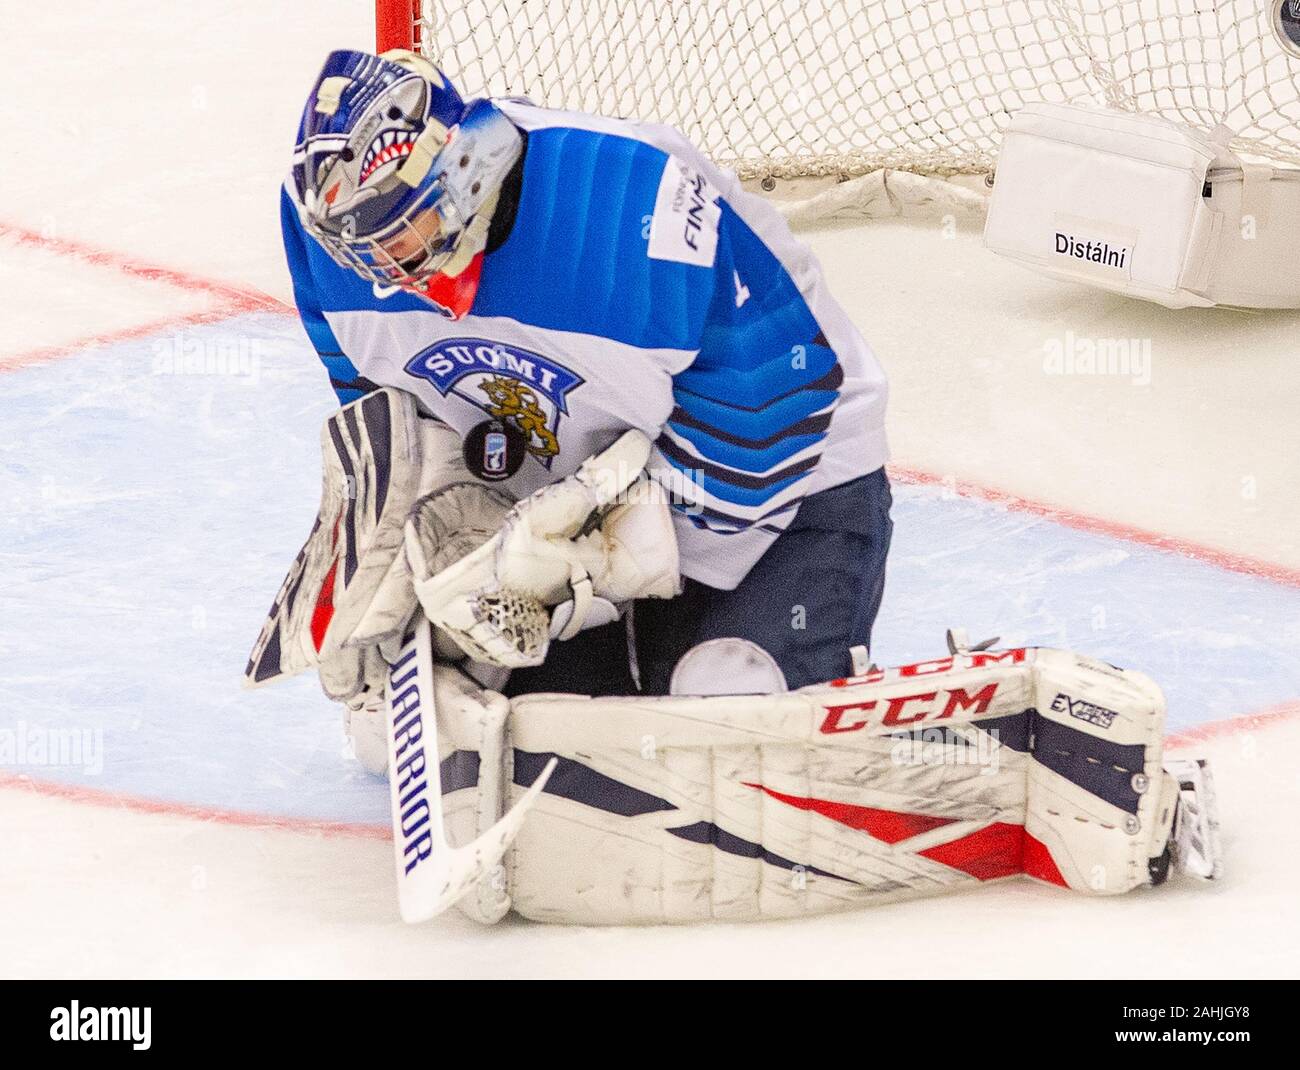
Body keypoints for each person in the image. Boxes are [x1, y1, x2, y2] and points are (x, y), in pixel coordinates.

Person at [273, 47, 892, 698]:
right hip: (554, 524)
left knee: (724, 724)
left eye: (404, 233)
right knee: (533, 746)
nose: (396, 274)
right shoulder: (320, 241)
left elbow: (775, 412)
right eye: (365, 254)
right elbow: (394, 428)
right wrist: (419, 559)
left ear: (462, 163)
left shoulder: (635, 196)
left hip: (784, 493)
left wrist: (602, 555)